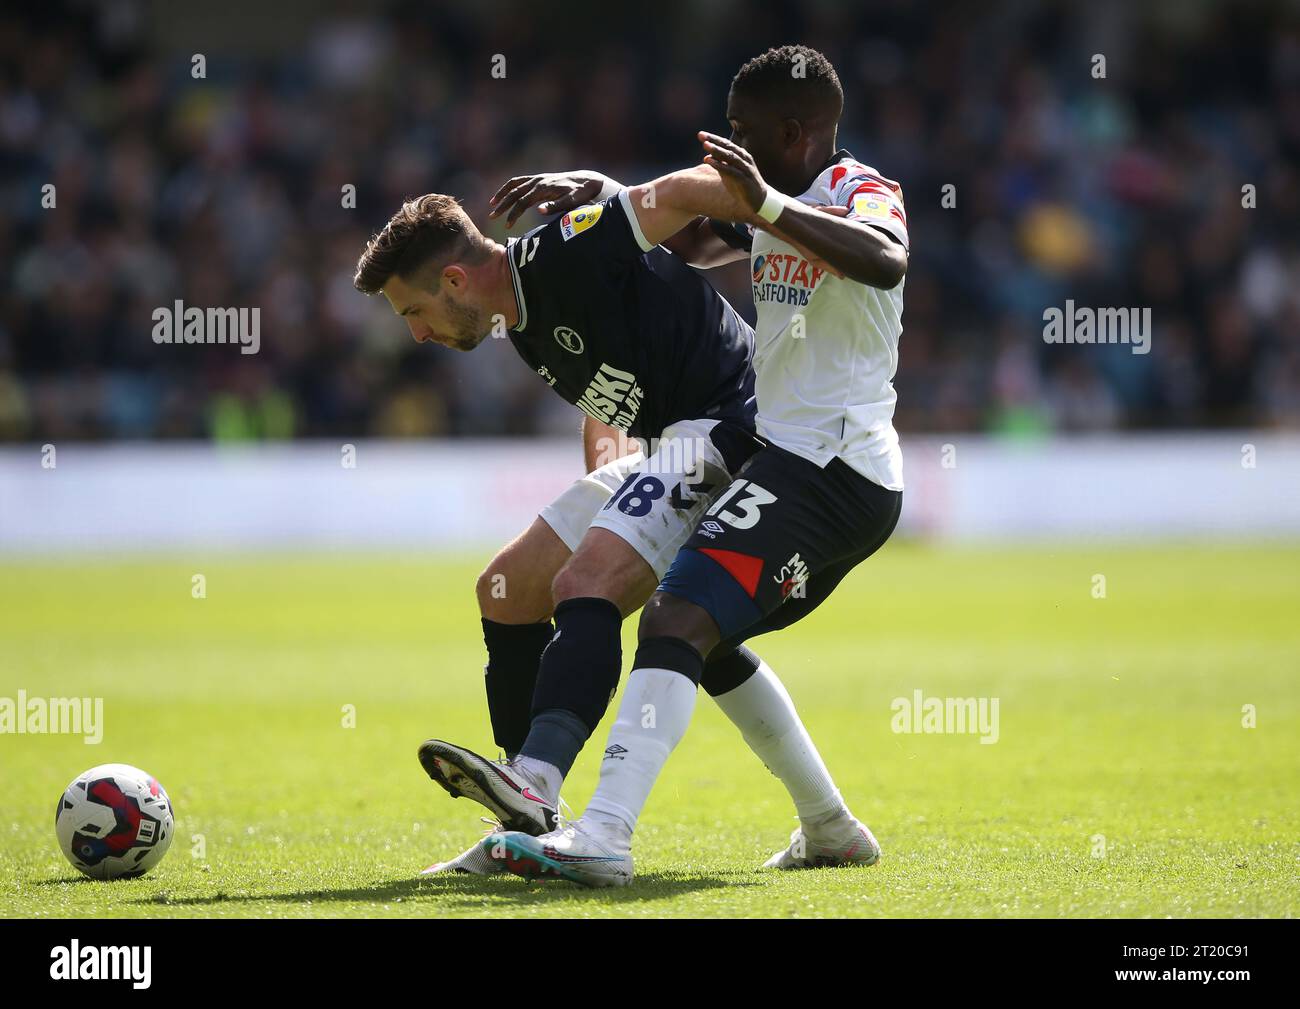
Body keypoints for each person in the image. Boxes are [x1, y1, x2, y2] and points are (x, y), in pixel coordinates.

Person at [353, 160, 869, 874]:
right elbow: (610, 401)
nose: (417, 334)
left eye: (414, 312)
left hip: (733, 424)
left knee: (588, 579)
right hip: (670, 444)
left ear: (454, 281)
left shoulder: (564, 250)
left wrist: (801, 226)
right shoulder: (519, 317)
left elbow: (688, 193)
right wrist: (611, 490)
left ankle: (536, 779)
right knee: (508, 586)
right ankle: (528, 807)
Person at [484, 45, 909, 886]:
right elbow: (691, 236)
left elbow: (885, 257)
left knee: (675, 615)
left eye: (748, 134)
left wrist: (769, 203)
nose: (731, 151)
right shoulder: (767, 202)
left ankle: (605, 830)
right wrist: (604, 194)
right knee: (704, 638)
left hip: (836, 470)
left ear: (797, 132)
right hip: (785, 459)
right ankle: (831, 827)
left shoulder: (861, 190)